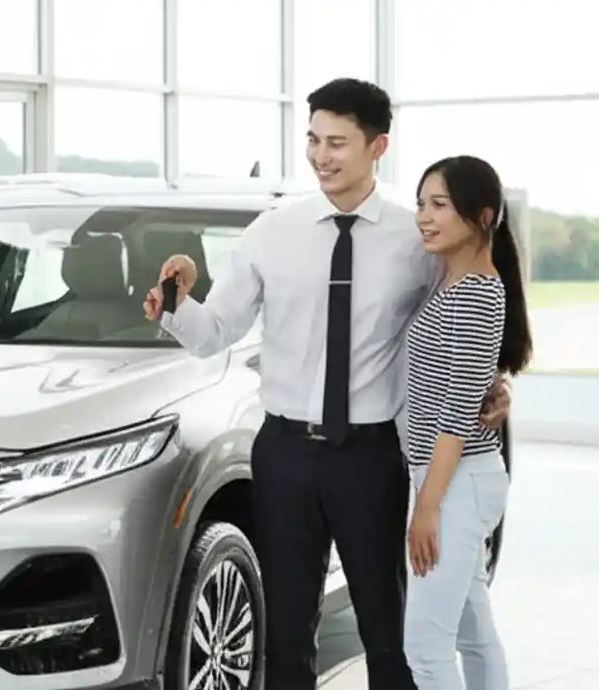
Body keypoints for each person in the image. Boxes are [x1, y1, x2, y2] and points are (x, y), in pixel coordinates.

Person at [142, 78, 510, 689]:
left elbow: (461, 318)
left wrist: (492, 382)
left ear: (378, 146)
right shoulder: (271, 231)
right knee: (287, 631)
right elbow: (214, 333)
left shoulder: (411, 236)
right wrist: (178, 302)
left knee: (386, 627)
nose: (321, 155)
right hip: (284, 451)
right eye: (313, 139)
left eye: (337, 142)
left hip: (371, 455)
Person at [402, 155, 531, 689]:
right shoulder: (453, 282)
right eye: (421, 204)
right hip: (455, 478)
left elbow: (456, 416)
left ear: (482, 217)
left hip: (455, 481)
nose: (424, 217)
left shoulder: (477, 292)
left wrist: (427, 507)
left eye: (439, 205)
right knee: (474, 634)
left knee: (426, 647)